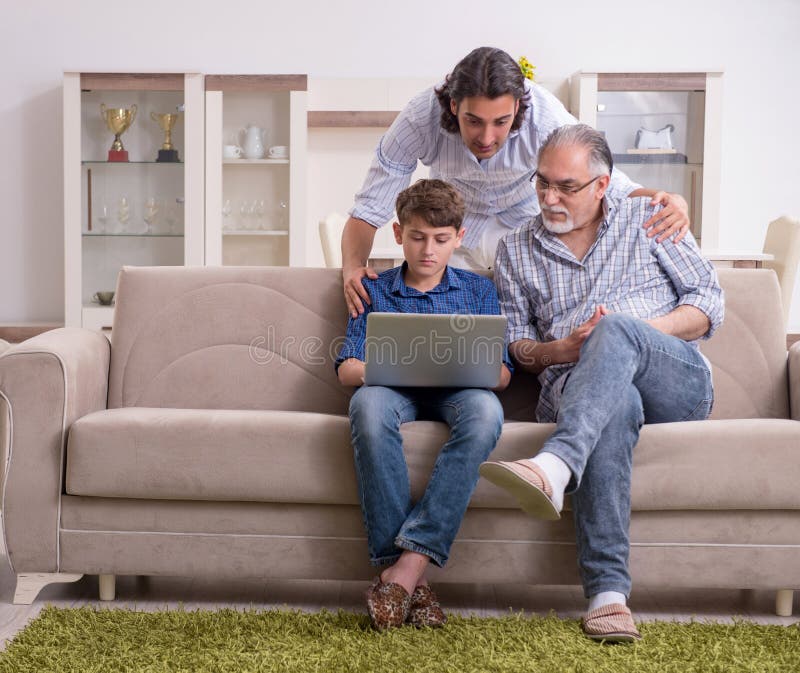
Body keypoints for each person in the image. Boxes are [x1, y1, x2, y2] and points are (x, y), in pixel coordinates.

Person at [479, 124, 724, 643]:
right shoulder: (516, 249)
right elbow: (518, 347)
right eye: (542, 183)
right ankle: (608, 597)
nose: (549, 198)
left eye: (566, 187)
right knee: (616, 402)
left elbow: (708, 304)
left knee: (615, 330)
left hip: (673, 378)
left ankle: (555, 464)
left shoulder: (650, 217)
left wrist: (633, 334)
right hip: (576, 385)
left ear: (602, 185)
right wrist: (561, 350)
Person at [342, 46, 692, 317]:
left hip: (524, 229)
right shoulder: (420, 118)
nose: (486, 137)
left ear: (518, 108)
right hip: (457, 231)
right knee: (445, 317)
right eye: (473, 121)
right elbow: (371, 206)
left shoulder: (545, 117)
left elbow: (605, 183)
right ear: (453, 106)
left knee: (531, 319)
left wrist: (667, 198)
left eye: (500, 122)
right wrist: (352, 267)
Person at [336, 178, 512, 631]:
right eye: (417, 237)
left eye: (440, 239)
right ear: (398, 234)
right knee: (367, 407)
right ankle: (413, 582)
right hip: (392, 390)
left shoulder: (478, 291)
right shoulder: (374, 288)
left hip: (460, 392)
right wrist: (388, 367)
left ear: (459, 237)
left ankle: (402, 573)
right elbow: (347, 369)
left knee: (486, 413)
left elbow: (502, 375)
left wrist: (477, 368)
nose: (428, 250)